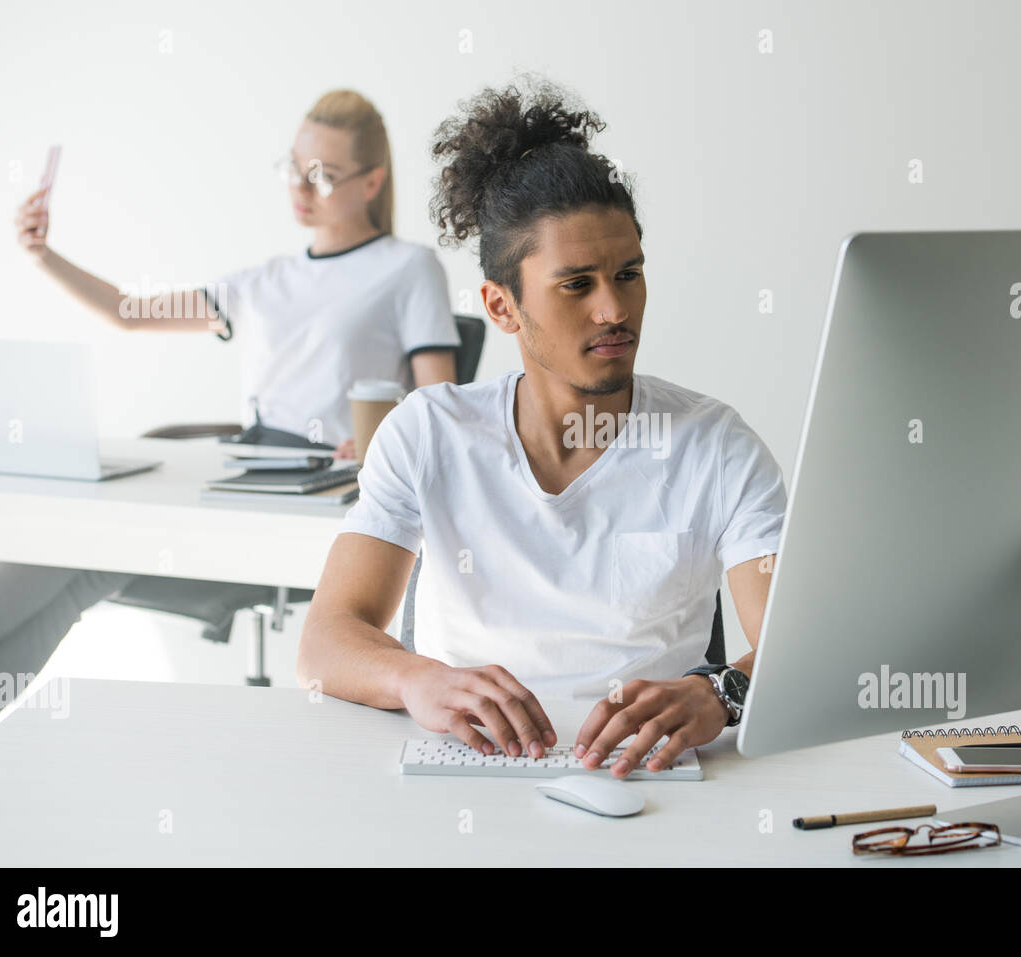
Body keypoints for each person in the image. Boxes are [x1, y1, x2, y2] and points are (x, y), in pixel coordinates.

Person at [297, 78, 787, 779]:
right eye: (576, 284)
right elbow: (324, 641)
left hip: (645, 784)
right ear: (501, 306)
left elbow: (796, 646)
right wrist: (417, 680)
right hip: (465, 775)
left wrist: (723, 690)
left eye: (628, 273)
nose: (614, 308)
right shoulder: (429, 433)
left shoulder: (716, 445)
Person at [0, 90, 460, 733]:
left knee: (87, 549)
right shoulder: (264, 281)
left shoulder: (406, 268)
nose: (300, 187)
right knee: (84, 548)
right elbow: (129, 312)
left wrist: (381, 443)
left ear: (372, 181)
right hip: (249, 476)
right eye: (293, 166)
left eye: (323, 175)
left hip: (321, 498)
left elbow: (437, 405)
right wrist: (42, 255)